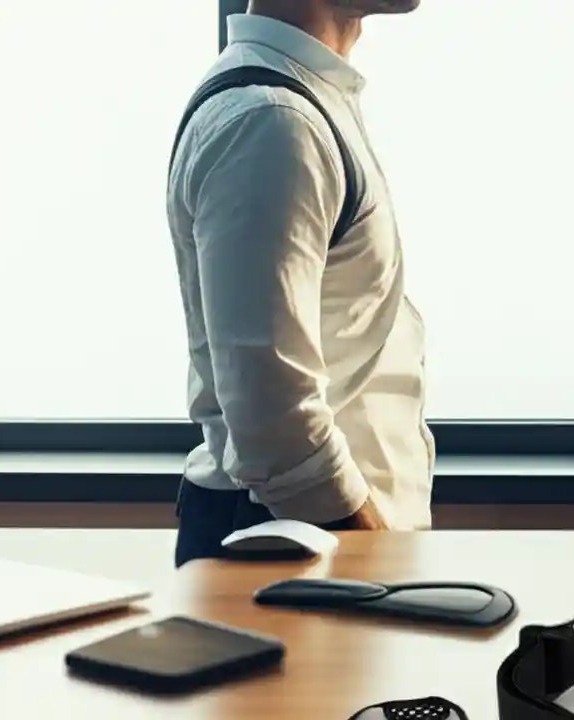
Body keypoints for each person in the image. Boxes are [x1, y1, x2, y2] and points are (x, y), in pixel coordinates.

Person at [166, 0, 433, 568]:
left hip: (317, 537)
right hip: (300, 542)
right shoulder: (272, 121)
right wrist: (372, 551)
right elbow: (276, 424)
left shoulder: (302, 102)